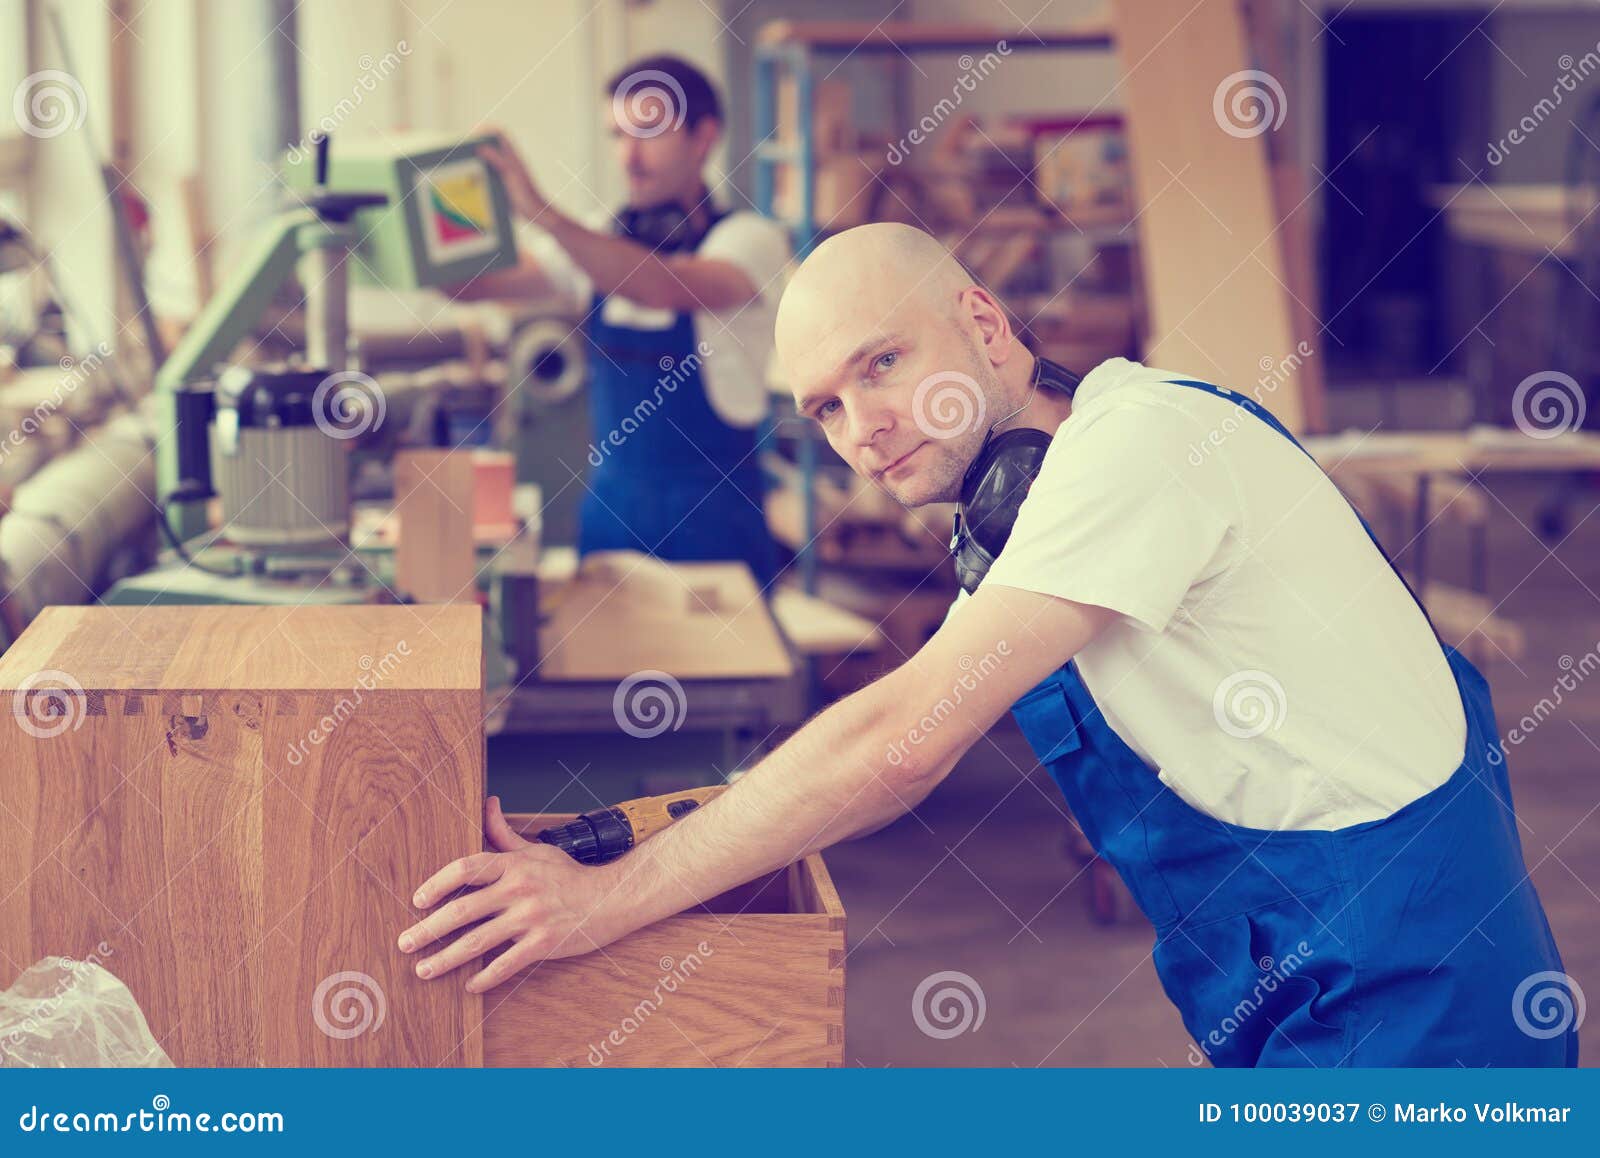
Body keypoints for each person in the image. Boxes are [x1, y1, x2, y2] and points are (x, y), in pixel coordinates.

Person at [402, 223, 1576, 1068]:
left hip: (1415, 1007)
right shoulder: (1042, 513)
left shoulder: (1136, 450)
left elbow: (900, 744)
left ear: (978, 318)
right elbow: (875, 752)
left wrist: (597, 911)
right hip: (1293, 996)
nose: (863, 428)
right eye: (823, 408)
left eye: (882, 363)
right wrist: (621, 849)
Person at [464, 55, 789, 583]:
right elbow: (475, 285)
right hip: (611, 517)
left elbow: (663, 286)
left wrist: (542, 213)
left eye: (648, 133)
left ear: (704, 137)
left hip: (712, 528)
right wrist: (414, 211)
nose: (628, 158)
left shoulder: (750, 240)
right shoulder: (596, 240)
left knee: (726, 665)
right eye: (617, 135)